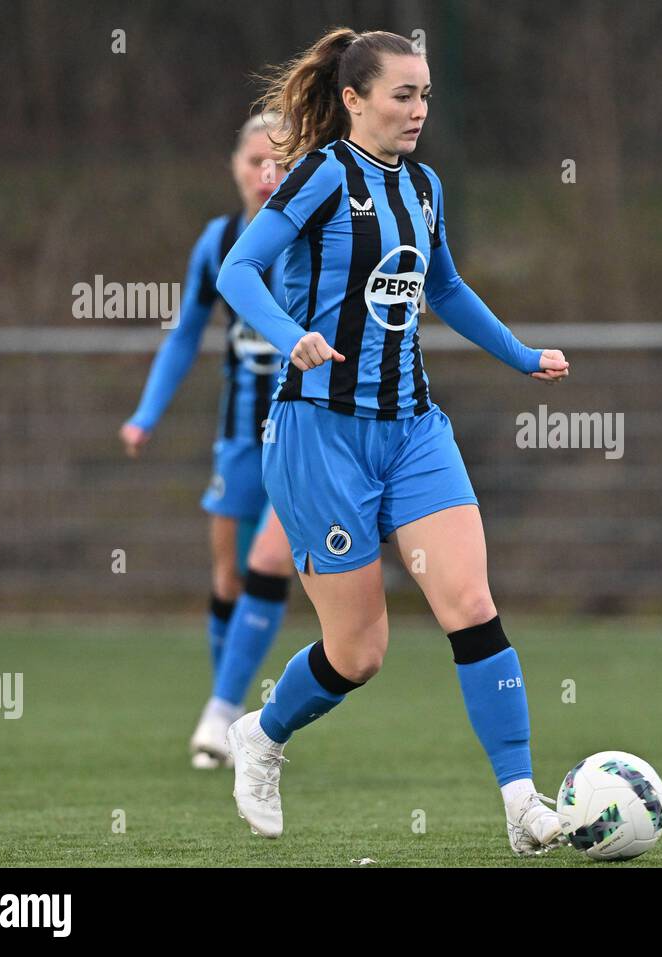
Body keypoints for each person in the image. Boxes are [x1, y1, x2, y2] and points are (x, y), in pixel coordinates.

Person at [215, 29, 570, 854]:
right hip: (318, 435)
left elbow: (442, 283)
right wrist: (289, 333)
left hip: (413, 428)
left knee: (471, 604)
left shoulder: (426, 186)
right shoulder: (317, 177)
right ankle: (261, 737)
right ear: (354, 99)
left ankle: (521, 803)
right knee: (360, 650)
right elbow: (239, 270)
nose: (418, 111)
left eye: (426, 96)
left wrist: (520, 355)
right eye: (402, 95)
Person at [121, 113, 296, 769]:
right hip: (238, 436)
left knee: (269, 564)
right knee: (227, 574)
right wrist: (145, 414)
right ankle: (235, 715)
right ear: (235, 168)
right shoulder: (219, 239)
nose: (265, 173)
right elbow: (185, 334)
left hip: (302, 432)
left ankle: (221, 713)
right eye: (254, 160)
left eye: (278, 161)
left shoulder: (311, 235)